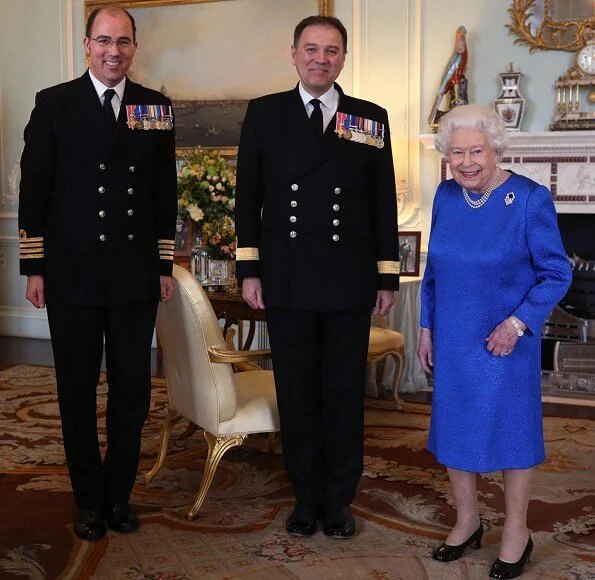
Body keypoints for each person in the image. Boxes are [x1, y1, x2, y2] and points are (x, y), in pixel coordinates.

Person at [235, 15, 399, 539]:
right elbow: (248, 199)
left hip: (348, 280)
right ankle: (306, 498)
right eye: (311, 49)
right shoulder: (264, 114)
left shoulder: (369, 118)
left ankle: (339, 501)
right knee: (298, 392)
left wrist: (386, 277)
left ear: (343, 59)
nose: (320, 59)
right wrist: (249, 270)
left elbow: (382, 204)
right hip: (286, 279)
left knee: (344, 393)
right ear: (293, 54)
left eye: (331, 51)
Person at [18, 5, 177, 541]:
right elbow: (34, 189)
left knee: (132, 391)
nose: (115, 51)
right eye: (104, 40)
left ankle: (118, 497)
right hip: (72, 274)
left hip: (133, 276)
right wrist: (33, 266)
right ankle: (88, 500)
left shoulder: (154, 108)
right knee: (76, 391)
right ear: (87, 44)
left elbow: (162, 193)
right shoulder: (54, 104)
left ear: (135, 47)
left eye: (124, 42)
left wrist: (163, 264)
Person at [417, 103, 571, 579]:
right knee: (455, 429)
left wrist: (519, 323)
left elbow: (557, 272)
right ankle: (467, 521)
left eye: (476, 151)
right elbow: (435, 271)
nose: (466, 162)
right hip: (453, 340)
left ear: (496, 148)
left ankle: (516, 531)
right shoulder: (445, 197)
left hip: (505, 342)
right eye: (457, 152)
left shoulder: (529, 199)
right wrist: (426, 327)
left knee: (511, 435)